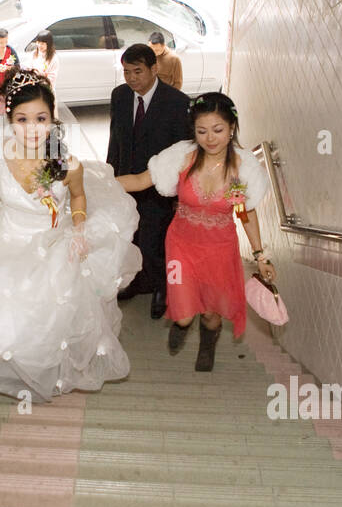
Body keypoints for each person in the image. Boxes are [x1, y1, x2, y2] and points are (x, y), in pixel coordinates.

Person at [0, 68, 140, 399]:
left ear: (52, 117)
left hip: (49, 241)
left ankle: (40, 370)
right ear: (8, 118)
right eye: (22, 119)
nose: (32, 129)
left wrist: (78, 227)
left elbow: (78, 196)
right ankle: (2, 370)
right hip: (3, 235)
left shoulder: (67, 164)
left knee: (45, 314)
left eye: (40, 118)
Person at [117, 92, 276, 371]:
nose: (210, 138)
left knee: (212, 314)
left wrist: (260, 256)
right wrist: (93, 181)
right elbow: (140, 181)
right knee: (182, 313)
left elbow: (245, 213)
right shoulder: (181, 157)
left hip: (220, 248)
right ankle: (181, 325)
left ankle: (208, 340)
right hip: (182, 244)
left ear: (231, 129)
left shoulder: (242, 169)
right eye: (202, 131)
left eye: (218, 130)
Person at [106, 43, 191, 320]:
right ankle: (137, 281)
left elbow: (183, 150)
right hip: (127, 180)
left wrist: (180, 194)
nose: (131, 78)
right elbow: (115, 140)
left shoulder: (176, 102)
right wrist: (110, 176)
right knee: (132, 233)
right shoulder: (119, 96)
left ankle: (160, 288)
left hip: (159, 185)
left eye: (137, 71)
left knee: (156, 237)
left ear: (154, 69)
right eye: (126, 72)